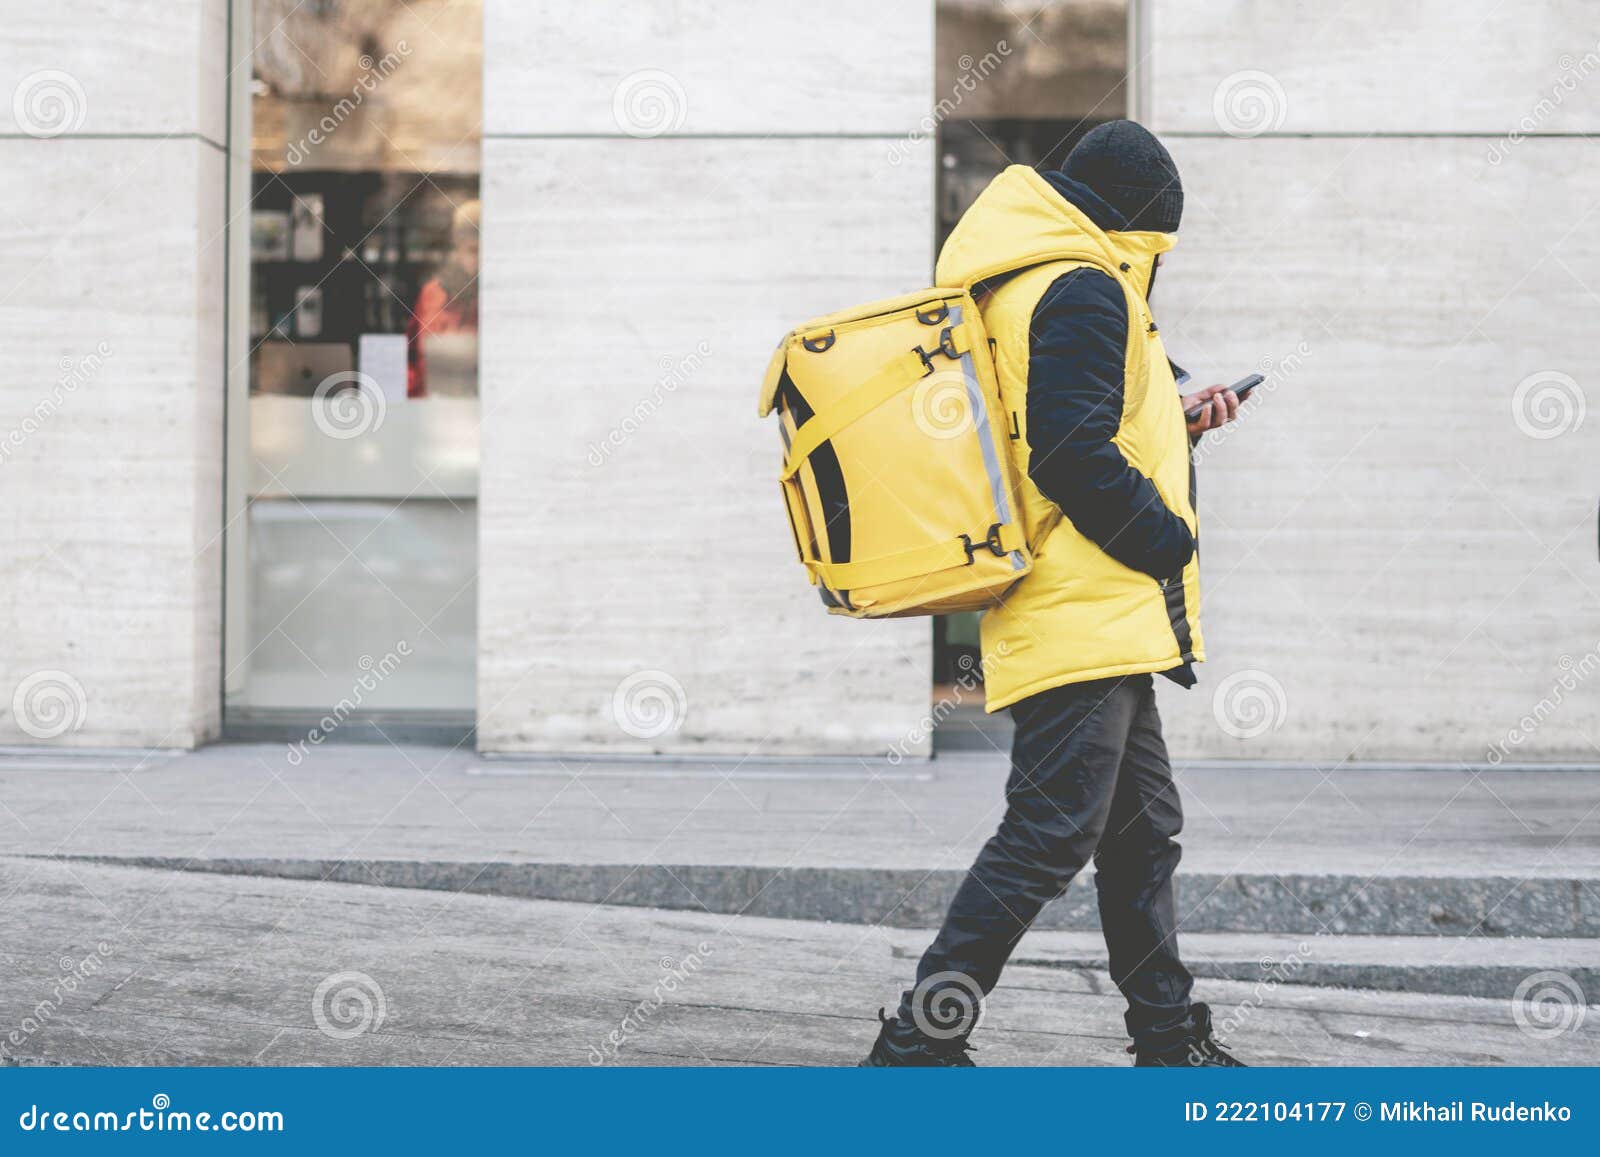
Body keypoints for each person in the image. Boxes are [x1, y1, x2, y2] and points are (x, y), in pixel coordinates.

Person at [862, 120, 1246, 1068]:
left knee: (1142, 831)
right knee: (1048, 833)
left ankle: (1166, 1034)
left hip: (1099, 615)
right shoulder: (1081, 286)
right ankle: (920, 1035)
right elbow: (1072, 454)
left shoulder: (1030, 274)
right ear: (1137, 227)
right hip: (1082, 606)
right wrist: (1169, 536)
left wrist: (1180, 426)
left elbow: (1070, 429)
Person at [407, 198, 480, 397]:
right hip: (431, 408)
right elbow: (411, 359)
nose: (480, 259)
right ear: (457, 248)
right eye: (473, 250)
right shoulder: (432, 295)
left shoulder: (503, 299)